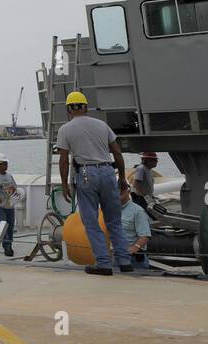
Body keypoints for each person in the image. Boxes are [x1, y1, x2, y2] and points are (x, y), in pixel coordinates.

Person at [56, 91, 132, 275]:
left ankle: (104, 263)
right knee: (114, 220)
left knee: (90, 221)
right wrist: (121, 177)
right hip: (107, 171)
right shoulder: (102, 125)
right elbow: (117, 153)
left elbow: (64, 160)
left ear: (68, 109)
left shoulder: (65, 130)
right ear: (86, 107)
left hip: (86, 174)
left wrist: (65, 184)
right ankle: (125, 261)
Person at [117, 182, 151, 269]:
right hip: (115, 257)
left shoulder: (138, 211)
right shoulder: (111, 210)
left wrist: (133, 249)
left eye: (122, 189)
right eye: (115, 189)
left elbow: (145, 235)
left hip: (134, 260)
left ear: (128, 191)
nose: (118, 191)